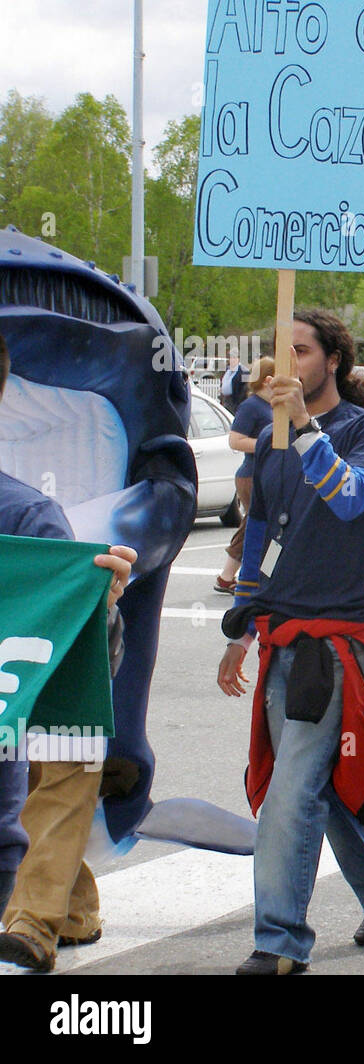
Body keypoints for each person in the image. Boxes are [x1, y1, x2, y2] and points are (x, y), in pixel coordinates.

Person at [216, 310, 364, 976]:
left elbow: (351, 498)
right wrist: (240, 631)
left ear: (332, 359)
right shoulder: (271, 440)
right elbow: (261, 538)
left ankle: (278, 943)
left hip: (336, 640)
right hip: (280, 632)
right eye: (279, 351)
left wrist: (304, 428)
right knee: (320, 784)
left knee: (290, 790)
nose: (286, 363)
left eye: (299, 351)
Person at [0, 332, 136, 972]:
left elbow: (84, 629)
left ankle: (32, 924)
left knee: (57, 783)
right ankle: (74, 907)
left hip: (57, 681)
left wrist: (101, 594)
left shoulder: (28, 511)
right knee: (48, 798)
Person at [215, 356, 275, 594]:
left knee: (269, 526)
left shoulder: (272, 405)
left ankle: (266, 574)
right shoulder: (251, 406)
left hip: (268, 473)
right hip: (251, 475)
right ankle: (228, 575)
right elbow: (235, 440)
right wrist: (269, 442)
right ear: (267, 379)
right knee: (255, 524)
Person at [218, 349, 248, 414]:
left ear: (238, 359)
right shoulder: (228, 370)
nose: (232, 360)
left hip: (236, 402)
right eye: (231, 358)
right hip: (226, 401)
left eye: (234, 358)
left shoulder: (244, 372)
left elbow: (245, 390)